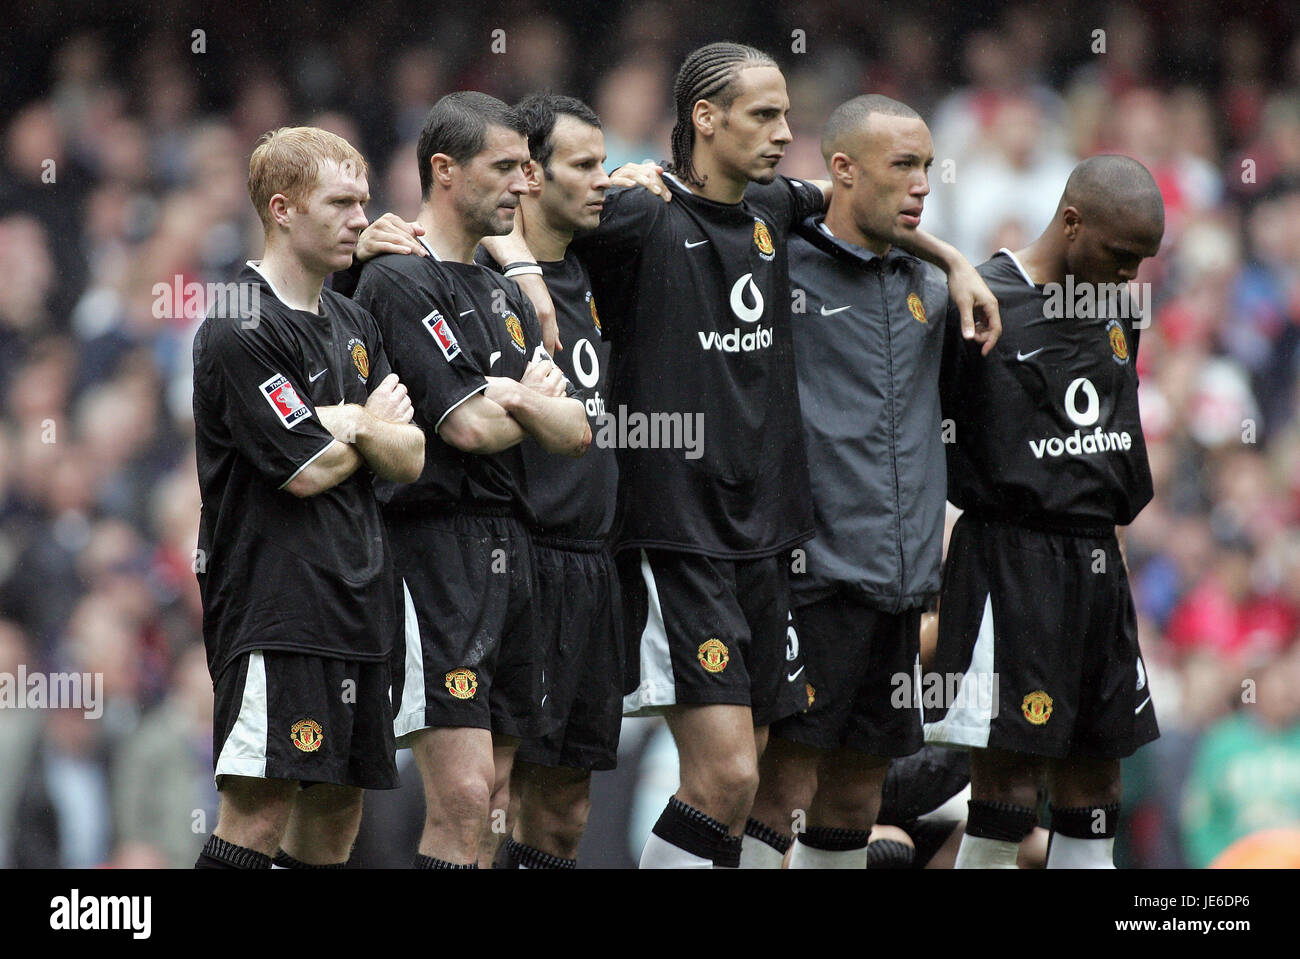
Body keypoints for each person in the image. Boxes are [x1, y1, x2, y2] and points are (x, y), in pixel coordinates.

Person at [476, 42, 1000, 869]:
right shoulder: (639, 213)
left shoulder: (774, 207)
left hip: (767, 538)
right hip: (677, 531)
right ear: (706, 120)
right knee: (721, 776)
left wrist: (955, 259)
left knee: (768, 786)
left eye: (786, 114)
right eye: (763, 114)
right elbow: (514, 224)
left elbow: (858, 196)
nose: (781, 130)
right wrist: (523, 275)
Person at [744, 94, 997, 868]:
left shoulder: (933, 287)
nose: (923, 181)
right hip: (810, 575)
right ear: (842, 170)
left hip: (901, 584)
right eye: (903, 166)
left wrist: (950, 259)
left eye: (926, 165)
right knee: (781, 783)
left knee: (855, 791)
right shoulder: (776, 260)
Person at [349, 92, 591, 869]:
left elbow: (577, 431)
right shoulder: (396, 281)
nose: (525, 184)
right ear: (444, 170)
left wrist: (512, 399)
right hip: (434, 547)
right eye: (506, 168)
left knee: (495, 800)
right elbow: (467, 426)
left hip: (512, 545)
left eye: (530, 167)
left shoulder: (502, 289)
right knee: (460, 795)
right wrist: (525, 399)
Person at [191, 126, 424, 870]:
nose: (363, 217)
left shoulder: (356, 321)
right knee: (257, 815)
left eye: (364, 199)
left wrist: (349, 422)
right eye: (342, 202)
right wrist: (364, 424)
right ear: (284, 209)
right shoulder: (240, 321)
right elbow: (309, 469)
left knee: (333, 822)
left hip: (360, 608)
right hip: (276, 609)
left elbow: (412, 453)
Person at [923, 154, 1165, 868]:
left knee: (1097, 779)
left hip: (1096, 569)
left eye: (1141, 262)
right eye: (1120, 255)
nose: (1129, 276)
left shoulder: (1118, 308)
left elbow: (1112, 450)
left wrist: (1112, 553)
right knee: (1008, 782)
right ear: (1070, 221)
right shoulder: (980, 300)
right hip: (1008, 562)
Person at [480, 94, 622, 870]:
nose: (603, 180)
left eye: (605, 164)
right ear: (529, 176)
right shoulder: (481, 279)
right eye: (585, 165)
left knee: (564, 811)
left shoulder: (602, 263)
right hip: (519, 562)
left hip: (594, 568)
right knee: (490, 794)